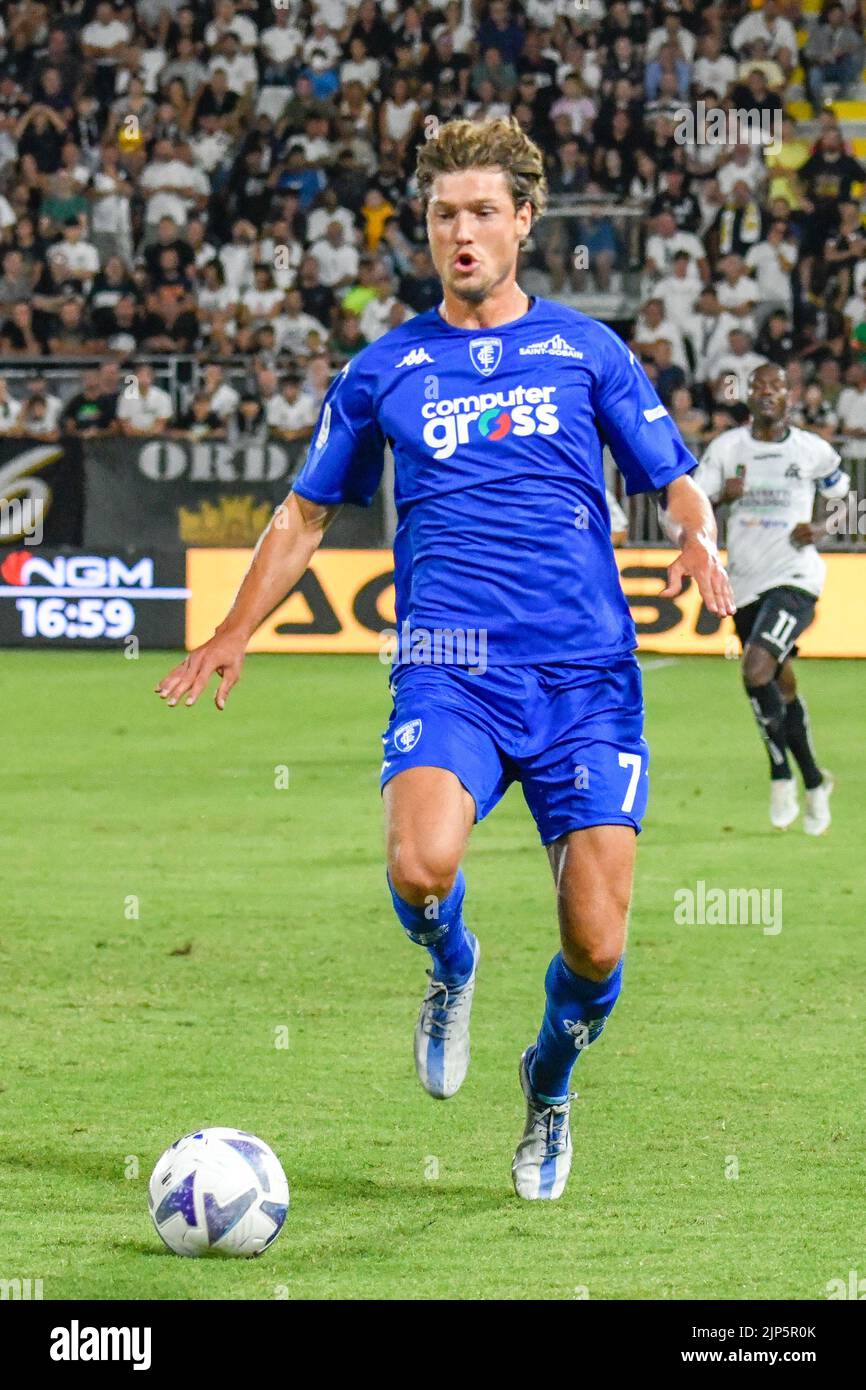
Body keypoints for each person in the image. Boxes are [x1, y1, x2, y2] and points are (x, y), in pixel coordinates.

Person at [155, 117, 733, 1202]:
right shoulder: (386, 369)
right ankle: (451, 964)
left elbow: (673, 473)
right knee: (419, 864)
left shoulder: (584, 350)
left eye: (481, 212)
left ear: (523, 220)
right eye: (440, 216)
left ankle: (547, 1080)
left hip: (584, 678)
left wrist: (696, 534)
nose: (460, 233)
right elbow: (301, 511)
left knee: (597, 950)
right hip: (448, 662)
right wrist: (234, 628)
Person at [693, 363, 850, 834]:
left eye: (776, 387)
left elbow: (851, 502)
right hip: (744, 584)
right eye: (759, 387)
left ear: (790, 396)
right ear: (748, 395)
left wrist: (823, 527)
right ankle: (816, 781)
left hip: (796, 579)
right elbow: (692, 510)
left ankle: (781, 773)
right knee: (779, 685)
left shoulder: (812, 450)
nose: (767, 394)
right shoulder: (727, 449)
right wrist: (722, 498)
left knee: (754, 670)